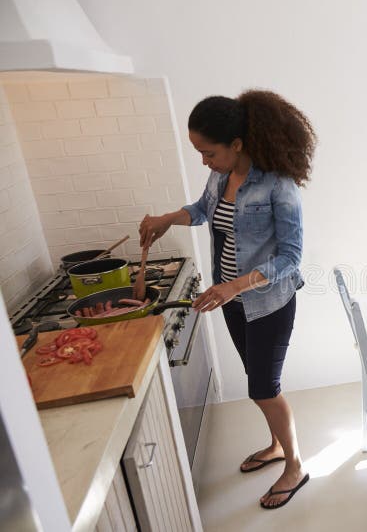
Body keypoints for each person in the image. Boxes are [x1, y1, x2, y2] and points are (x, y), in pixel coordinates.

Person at [138, 90, 315, 510]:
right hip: (232, 301)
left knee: (263, 388)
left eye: (208, 152)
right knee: (259, 383)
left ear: (236, 144)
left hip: (267, 302)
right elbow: (202, 210)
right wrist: (167, 218)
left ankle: (295, 465)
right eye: (199, 152)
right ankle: (275, 445)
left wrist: (233, 287)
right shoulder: (222, 175)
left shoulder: (279, 185)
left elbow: (290, 258)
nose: (204, 160)